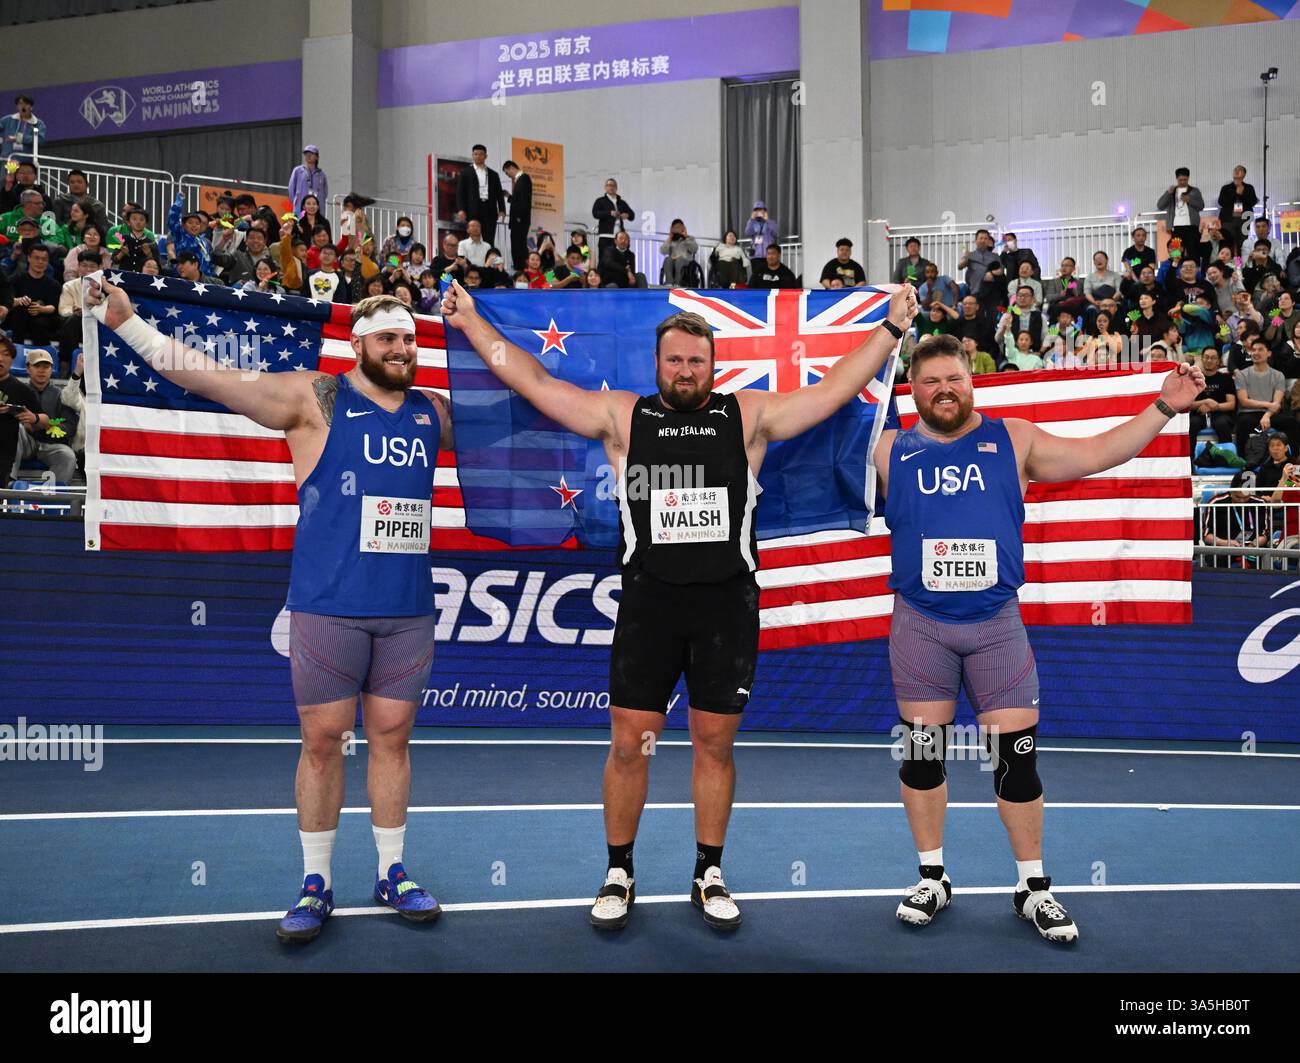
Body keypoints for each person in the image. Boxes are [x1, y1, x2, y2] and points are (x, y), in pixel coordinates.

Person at [439, 275, 919, 932]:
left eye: (697, 361)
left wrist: (890, 329)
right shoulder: (624, 417)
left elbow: (833, 391)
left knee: (714, 746)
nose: (687, 370)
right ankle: (618, 868)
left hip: (725, 609)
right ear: (658, 364)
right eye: (675, 360)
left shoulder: (746, 416)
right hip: (650, 607)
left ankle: (709, 869)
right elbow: (532, 381)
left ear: (712, 366)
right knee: (630, 744)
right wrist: (470, 321)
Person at [84, 278, 454, 942]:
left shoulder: (431, 408)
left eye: (410, 338)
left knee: (393, 739)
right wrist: (128, 324)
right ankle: (316, 882)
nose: (404, 348)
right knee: (321, 744)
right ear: (359, 343)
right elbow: (213, 379)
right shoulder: (316, 396)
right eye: (390, 338)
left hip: (406, 612)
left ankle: (392, 871)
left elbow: (515, 414)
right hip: (328, 609)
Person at [876, 332, 1205, 943]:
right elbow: (814, 435)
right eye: (930, 381)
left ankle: (1032, 886)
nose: (944, 389)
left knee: (1017, 763)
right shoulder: (888, 449)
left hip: (995, 622)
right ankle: (932, 876)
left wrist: (1164, 406)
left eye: (954, 378)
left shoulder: (1013, 438)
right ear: (911, 390)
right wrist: (887, 332)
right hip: (920, 623)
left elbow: (1098, 452)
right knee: (922, 757)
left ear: (972, 380)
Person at [11, 348, 78, 483]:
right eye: (37, 366)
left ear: (51, 369)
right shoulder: (17, 390)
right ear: (28, 368)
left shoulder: (62, 395)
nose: (41, 370)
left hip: (51, 445)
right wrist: (24, 425)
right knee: (14, 430)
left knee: (68, 456)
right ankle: (8, 481)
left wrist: (48, 425)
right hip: (25, 442)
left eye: (46, 366)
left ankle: (55, 495)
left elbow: (70, 427)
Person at [1201, 471, 1271, 567]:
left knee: (1263, 557)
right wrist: (1226, 543)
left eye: (1246, 497)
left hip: (1252, 548)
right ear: (1231, 490)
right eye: (1237, 497)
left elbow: (1265, 533)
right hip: (1223, 548)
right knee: (1214, 558)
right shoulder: (1216, 502)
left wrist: (1254, 544)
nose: (1241, 501)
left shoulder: (1260, 503)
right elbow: (1206, 534)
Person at [0, 336, 43, 487]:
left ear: (12, 359)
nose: (0, 358)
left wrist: (34, 418)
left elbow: (44, 420)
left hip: (3, 460)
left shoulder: (21, 390)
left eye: (5, 354)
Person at [1235, 336, 1286, 453]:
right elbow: (1244, 401)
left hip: (1272, 414)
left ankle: (1291, 458)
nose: (1256, 353)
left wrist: (1267, 416)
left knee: (1291, 423)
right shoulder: (1242, 375)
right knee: (1243, 424)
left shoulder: (1278, 375)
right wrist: (1268, 405)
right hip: (1249, 413)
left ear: (1269, 353)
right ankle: (1243, 460)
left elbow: (1277, 403)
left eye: (1260, 350)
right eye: (1253, 350)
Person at [1188, 347, 1236, 459]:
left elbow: (1231, 404)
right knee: (1192, 424)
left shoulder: (1226, 379)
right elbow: (1187, 405)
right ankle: (1189, 462)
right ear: (1202, 359)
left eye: (1213, 358)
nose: (1209, 360)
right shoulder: (1193, 379)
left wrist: (1216, 406)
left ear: (1218, 361)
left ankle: (1227, 459)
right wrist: (1205, 401)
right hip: (1198, 414)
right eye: (1207, 357)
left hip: (1220, 414)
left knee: (1222, 423)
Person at [456, 144, 505, 243]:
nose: (478, 156)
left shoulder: (493, 174)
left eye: (481, 154)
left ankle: (488, 257)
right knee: (472, 238)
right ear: (472, 155)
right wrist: (461, 209)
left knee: (489, 239)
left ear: (486, 156)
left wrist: (502, 210)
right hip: (472, 210)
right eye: (476, 154)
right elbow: (460, 192)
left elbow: (499, 193)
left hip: (489, 210)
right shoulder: (465, 173)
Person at [1157, 167, 1205, 266]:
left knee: (1193, 250)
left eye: (1185, 180)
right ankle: (1176, 270)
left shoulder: (1194, 191)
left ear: (1188, 178)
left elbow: (1201, 206)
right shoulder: (1172, 191)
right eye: (1180, 180)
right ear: (1176, 179)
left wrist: (1190, 200)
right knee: (1176, 251)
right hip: (1176, 227)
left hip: (1192, 226)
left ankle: (1196, 271)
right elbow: (1160, 205)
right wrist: (1168, 193)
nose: (1182, 182)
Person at [957, 229, 1003, 313]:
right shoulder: (970, 255)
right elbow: (959, 266)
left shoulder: (995, 256)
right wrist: (966, 257)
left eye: (986, 238)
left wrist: (992, 273)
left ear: (988, 241)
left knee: (991, 318)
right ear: (976, 240)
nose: (983, 241)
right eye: (981, 238)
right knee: (978, 316)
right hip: (976, 291)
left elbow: (1001, 270)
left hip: (992, 292)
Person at [1217, 165, 1257, 255]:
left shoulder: (1249, 188)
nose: (1237, 172)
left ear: (1244, 174)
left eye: (1240, 171)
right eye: (1235, 170)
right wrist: (1235, 194)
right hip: (1228, 220)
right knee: (1229, 242)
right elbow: (1221, 202)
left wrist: (1242, 194)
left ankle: (1240, 264)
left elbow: (1253, 201)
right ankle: (1229, 264)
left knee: (1242, 243)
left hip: (1244, 219)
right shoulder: (1226, 188)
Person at [502, 160, 532, 271]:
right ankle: (519, 268)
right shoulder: (520, 180)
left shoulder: (524, 179)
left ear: (511, 168)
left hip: (520, 220)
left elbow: (524, 200)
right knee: (516, 245)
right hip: (518, 220)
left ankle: (521, 269)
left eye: (506, 172)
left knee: (518, 245)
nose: (508, 175)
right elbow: (519, 200)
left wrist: (519, 217)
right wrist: (509, 196)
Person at [0, 95, 45, 162]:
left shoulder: (38, 123)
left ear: (31, 107)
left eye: (26, 104)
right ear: (17, 107)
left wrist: (19, 138)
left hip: (26, 164)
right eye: (20, 104)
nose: (23, 107)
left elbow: (40, 140)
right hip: (7, 160)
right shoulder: (7, 120)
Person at [288, 145, 329, 214]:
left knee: (317, 224)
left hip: (317, 210)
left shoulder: (322, 174)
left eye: (311, 154)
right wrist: (296, 203)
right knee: (300, 224)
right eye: (306, 154)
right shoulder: (298, 171)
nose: (308, 156)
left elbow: (325, 192)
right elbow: (291, 189)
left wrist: (319, 203)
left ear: (317, 157)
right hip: (300, 208)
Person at [744, 201, 778, 278]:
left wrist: (767, 220)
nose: (758, 212)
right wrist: (751, 220)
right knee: (757, 277)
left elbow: (776, 232)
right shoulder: (752, 222)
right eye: (756, 210)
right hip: (756, 255)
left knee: (769, 276)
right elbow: (747, 233)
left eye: (760, 210)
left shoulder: (770, 222)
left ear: (765, 211)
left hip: (769, 255)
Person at [660, 219, 699, 287]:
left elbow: (694, 249)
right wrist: (670, 238)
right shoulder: (671, 240)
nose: (677, 229)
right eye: (675, 228)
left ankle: (678, 283)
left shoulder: (689, 238)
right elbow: (663, 251)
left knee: (679, 260)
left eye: (679, 227)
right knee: (667, 259)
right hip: (672, 259)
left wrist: (686, 237)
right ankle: (669, 282)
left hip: (686, 260)